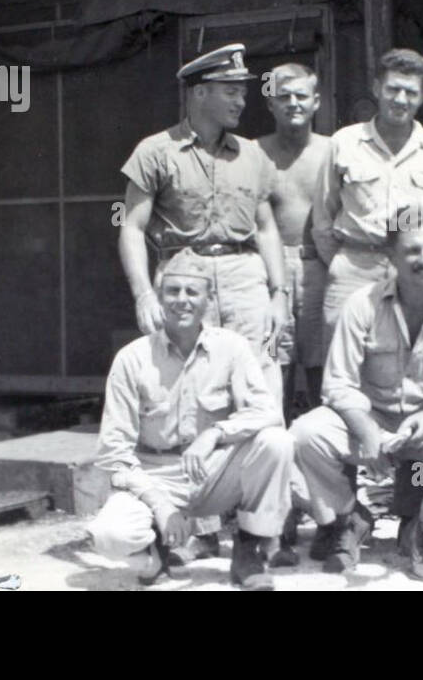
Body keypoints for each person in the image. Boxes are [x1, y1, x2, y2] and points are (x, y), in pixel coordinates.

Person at [290, 219, 423, 581]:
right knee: (304, 432)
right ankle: (348, 519)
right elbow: (337, 384)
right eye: (412, 250)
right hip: (370, 422)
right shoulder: (362, 304)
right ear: (391, 256)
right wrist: (367, 430)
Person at [86, 249, 295, 591]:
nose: (181, 301)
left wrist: (215, 432)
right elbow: (112, 454)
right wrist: (159, 503)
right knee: (110, 536)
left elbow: (267, 410)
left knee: (277, 442)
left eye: (192, 292)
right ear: (158, 297)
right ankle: (155, 553)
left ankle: (248, 548)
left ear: (208, 301)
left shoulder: (233, 347)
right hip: (154, 475)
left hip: (213, 472)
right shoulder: (132, 358)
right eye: (172, 291)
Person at [118, 42, 287, 397]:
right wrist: (144, 295)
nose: (241, 101)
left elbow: (267, 228)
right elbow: (131, 228)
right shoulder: (155, 151)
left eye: (242, 92)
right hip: (183, 275)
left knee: (258, 376)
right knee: (187, 378)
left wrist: (279, 293)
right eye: (230, 92)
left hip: (245, 278)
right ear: (199, 92)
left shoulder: (252, 154)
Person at [311, 48, 423, 348]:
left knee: (409, 357)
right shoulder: (344, 142)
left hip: (415, 270)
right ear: (377, 88)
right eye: (393, 89)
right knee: (343, 358)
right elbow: (322, 218)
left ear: (422, 96)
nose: (401, 99)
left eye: (411, 92)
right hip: (354, 267)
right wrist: (345, 260)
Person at [258, 62, 331, 416]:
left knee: (323, 362)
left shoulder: (334, 151)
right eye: (282, 96)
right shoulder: (254, 153)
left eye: (301, 95)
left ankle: (326, 458)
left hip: (321, 264)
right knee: (275, 360)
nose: (293, 103)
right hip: (270, 270)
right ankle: (278, 448)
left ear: (316, 102)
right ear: (270, 104)